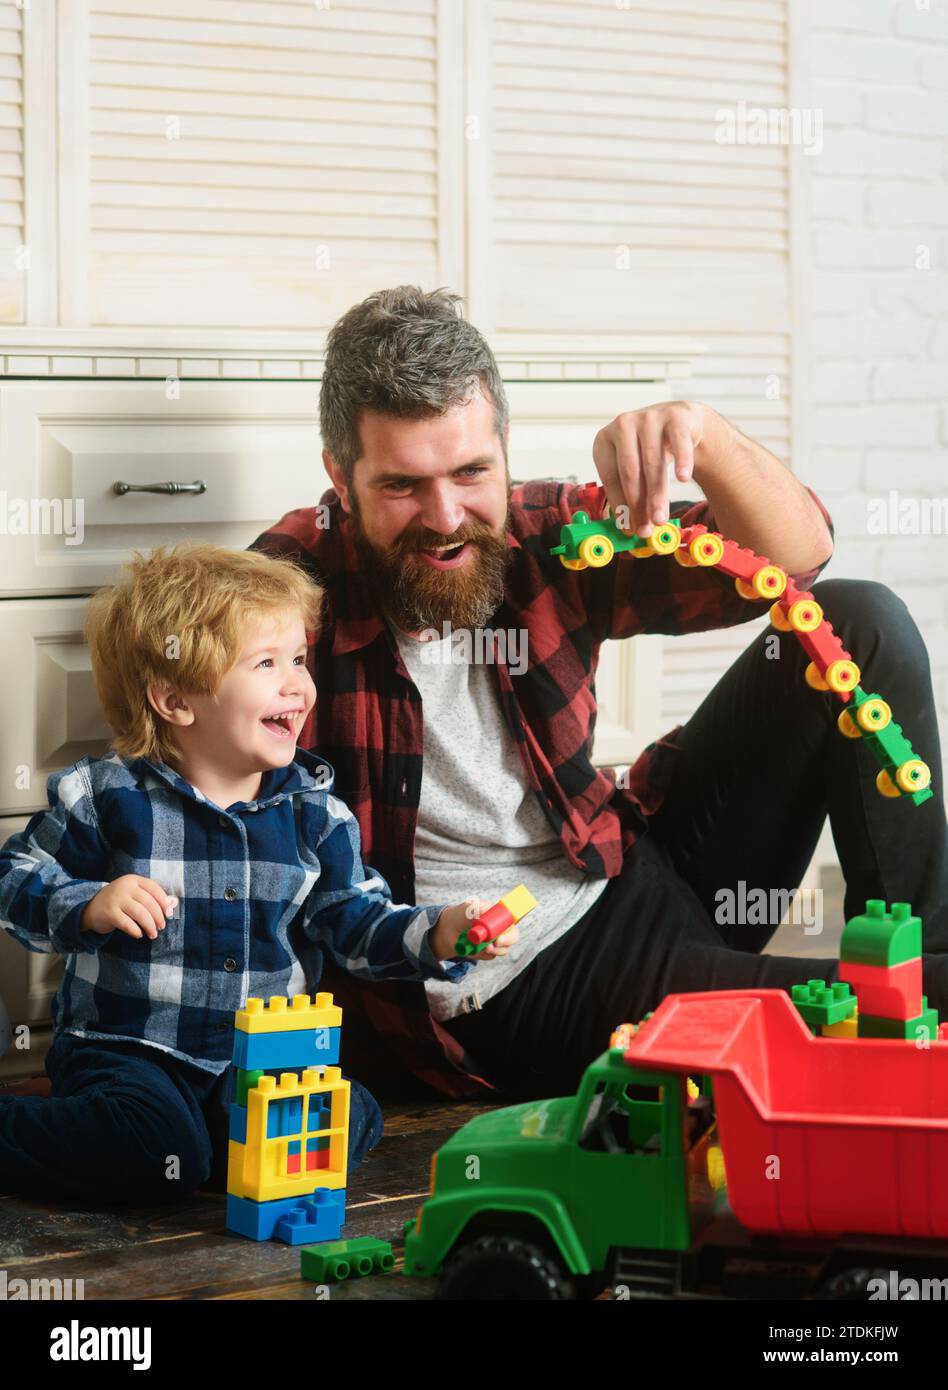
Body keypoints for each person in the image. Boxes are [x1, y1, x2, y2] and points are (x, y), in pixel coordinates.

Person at [251, 285, 948, 1103]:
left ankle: (920, 964)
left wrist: (708, 437)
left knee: (857, 620)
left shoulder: (542, 533)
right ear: (341, 473)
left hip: (621, 868)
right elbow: (208, 800)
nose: (445, 517)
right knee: (832, 1023)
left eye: (471, 471)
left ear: (502, 450)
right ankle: (919, 1020)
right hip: (519, 975)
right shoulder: (286, 591)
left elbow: (798, 554)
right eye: (403, 485)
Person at [0, 543, 515, 1201]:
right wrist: (88, 903)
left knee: (344, 1118)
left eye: (299, 659)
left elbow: (357, 927)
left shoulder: (314, 815)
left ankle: (210, 1139)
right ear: (175, 699)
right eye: (266, 663)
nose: (296, 683)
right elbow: (14, 876)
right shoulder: (106, 797)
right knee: (155, 1150)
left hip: (259, 1059)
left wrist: (440, 935)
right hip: (129, 1048)